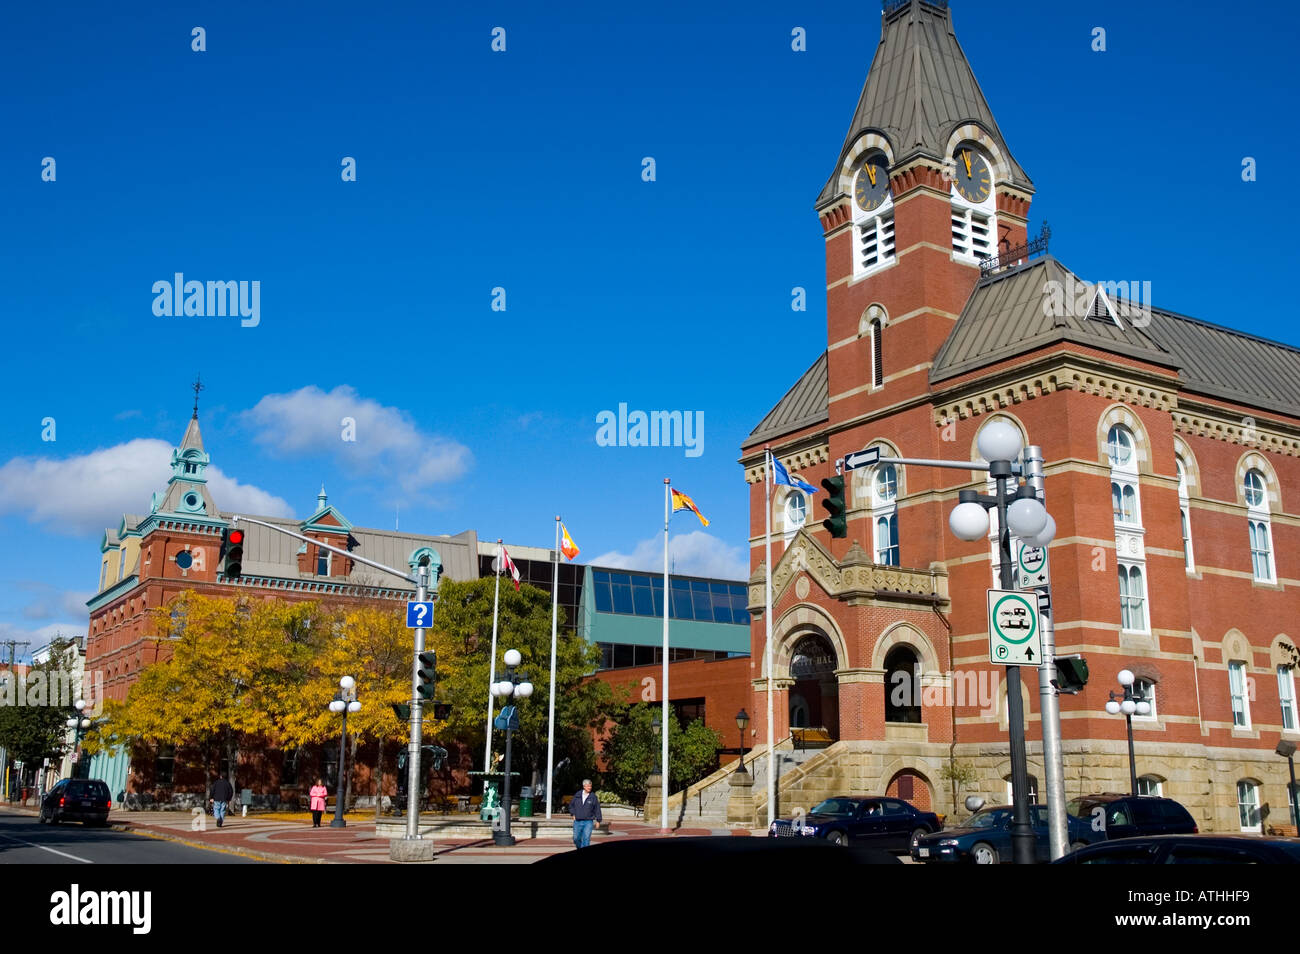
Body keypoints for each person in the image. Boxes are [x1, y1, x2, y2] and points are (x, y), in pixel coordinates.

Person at [569, 778, 602, 849]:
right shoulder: (577, 795)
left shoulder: (593, 797)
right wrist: (573, 814)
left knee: (586, 839)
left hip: (588, 822)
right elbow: (571, 806)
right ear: (584, 786)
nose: (590, 788)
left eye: (590, 786)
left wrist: (598, 821)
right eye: (588, 786)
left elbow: (597, 809)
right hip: (577, 821)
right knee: (576, 839)